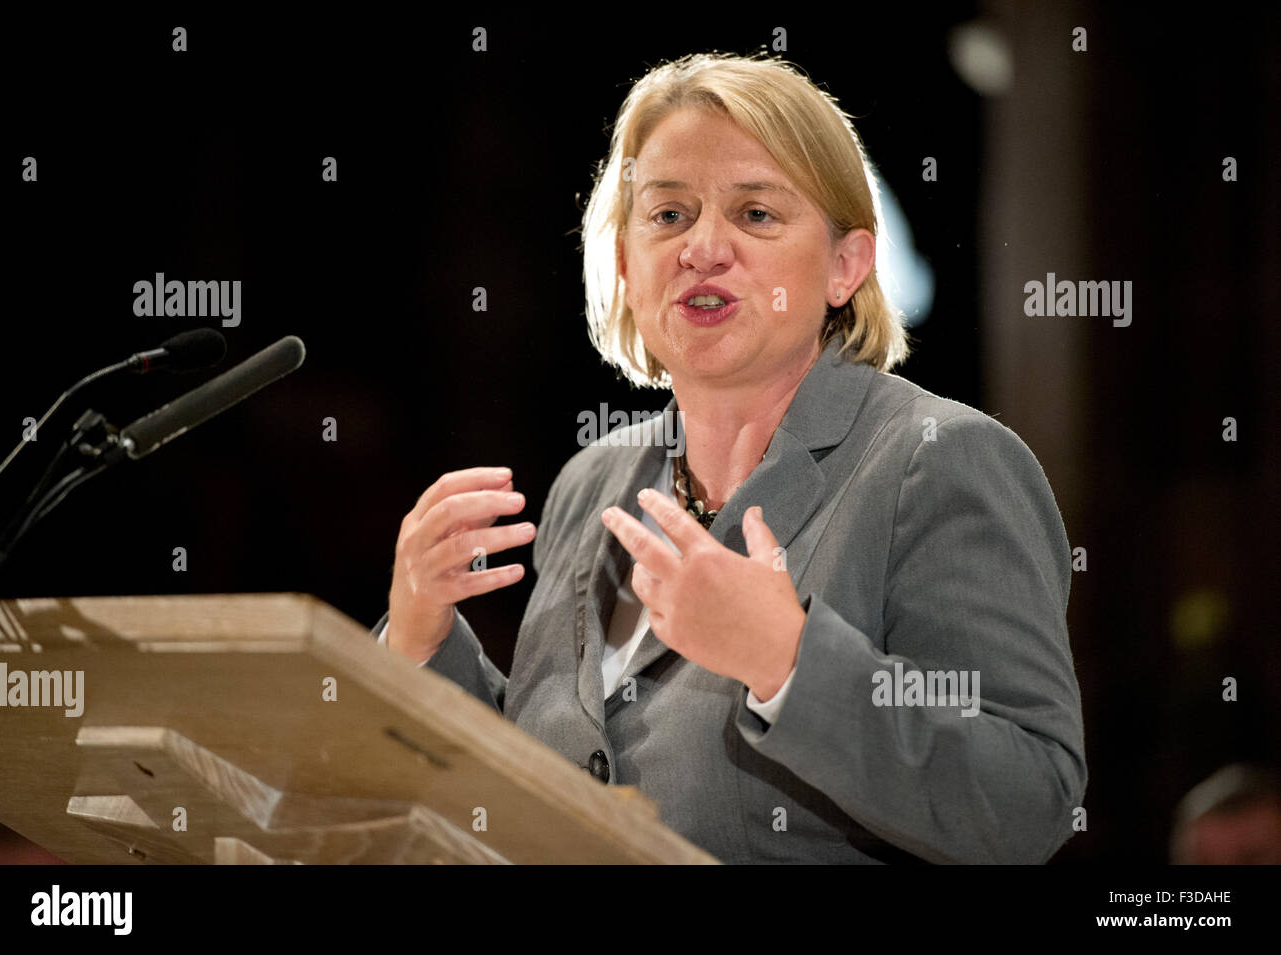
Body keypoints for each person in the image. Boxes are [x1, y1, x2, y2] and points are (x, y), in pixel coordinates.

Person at [374, 52, 1087, 864]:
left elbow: (1032, 801)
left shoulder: (937, 461)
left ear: (845, 266)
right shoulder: (592, 483)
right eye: (669, 216)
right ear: (625, 268)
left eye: (755, 214)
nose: (703, 248)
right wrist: (420, 638)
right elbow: (554, 785)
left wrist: (786, 662)